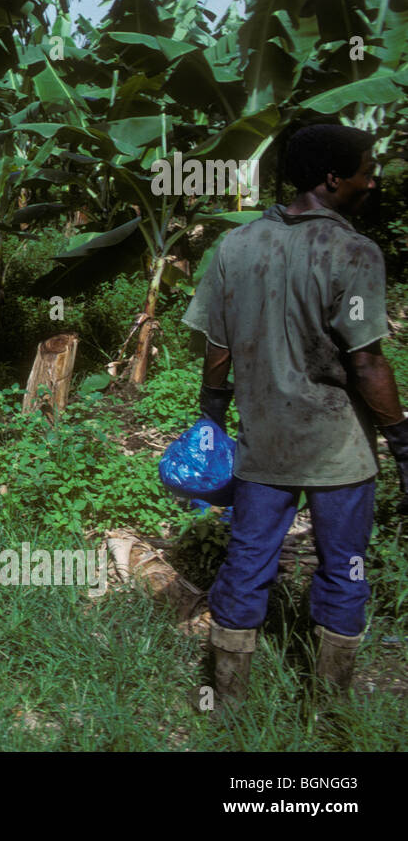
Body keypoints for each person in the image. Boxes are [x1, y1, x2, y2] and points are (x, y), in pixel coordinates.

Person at [183, 123, 408, 706]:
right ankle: (329, 712)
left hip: (263, 448)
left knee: (247, 563)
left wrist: (213, 416)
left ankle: (228, 703)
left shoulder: (236, 246)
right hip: (339, 452)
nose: (372, 179)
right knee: (345, 569)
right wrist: (403, 442)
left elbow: (218, 348)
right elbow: (367, 364)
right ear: (334, 180)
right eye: (365, 169)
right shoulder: (355, 253)